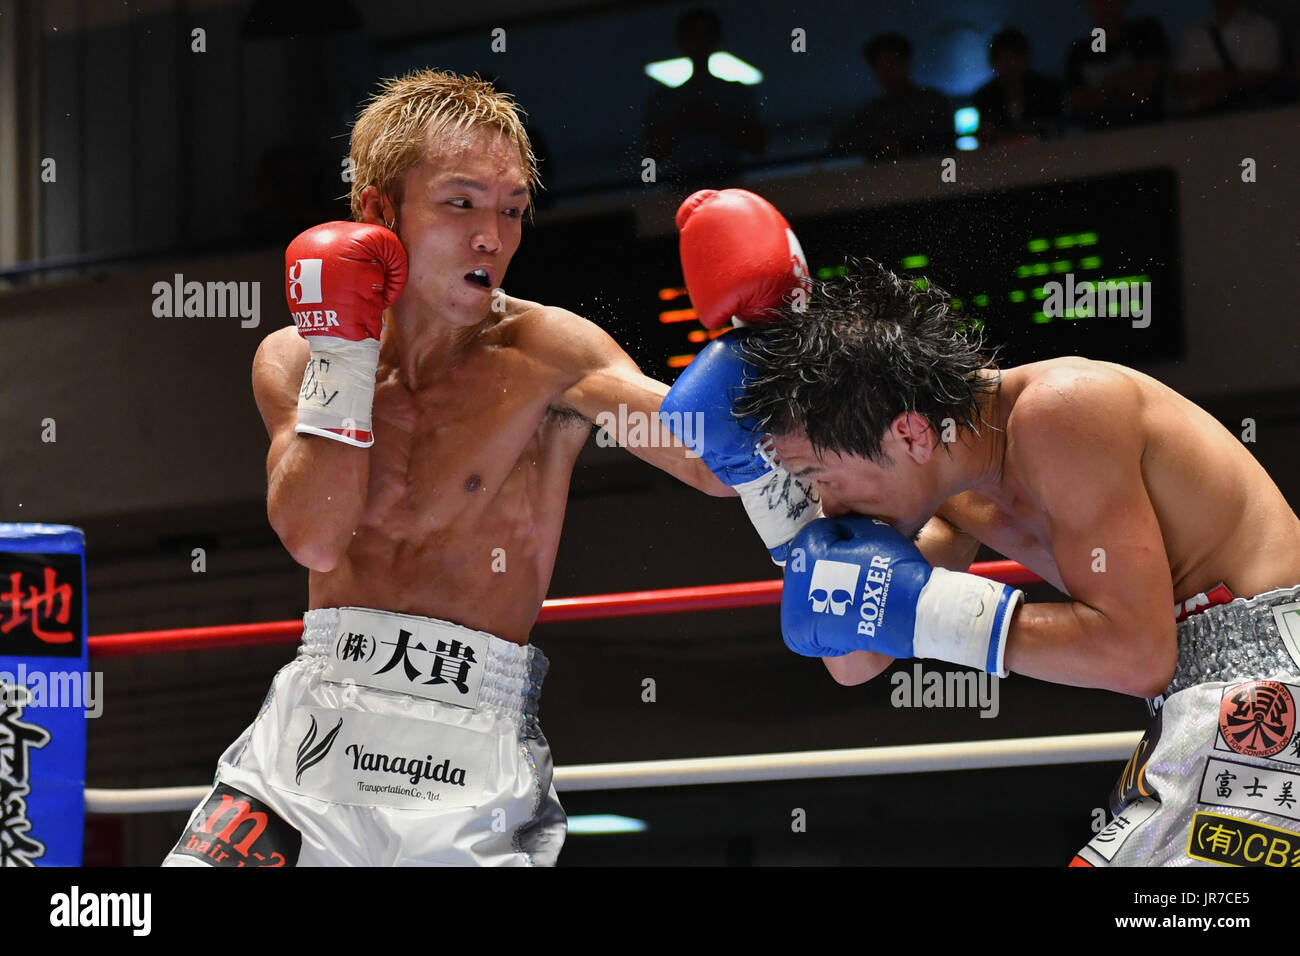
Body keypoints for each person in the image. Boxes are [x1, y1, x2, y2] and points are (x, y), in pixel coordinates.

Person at [160, 71, 819, 867]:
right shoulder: (296, 355)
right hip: (311, 736)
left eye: (510, 211)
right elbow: (315, 538)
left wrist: (770, 344)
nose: (493, 238)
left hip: (466, 754)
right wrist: (344, 352)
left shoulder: (547, 354)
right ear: (377, 213)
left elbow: (709, 464)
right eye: (461, 203)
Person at [664, 204, 1300, 865]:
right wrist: (782, 513)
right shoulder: (946, 487)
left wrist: (927, 610)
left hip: (1270, 679)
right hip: (1204, 708)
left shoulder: (1064, 412)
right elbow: (852, 657)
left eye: (820, 475)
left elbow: (1136, 654)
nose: (826, 501)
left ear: (909, 433)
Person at [644, 7, 766, 189]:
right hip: (682, 188)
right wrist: (683, 119)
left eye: (705, 35)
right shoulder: (665, 99)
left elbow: (757, 145)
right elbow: (652, 154)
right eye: (692, 35)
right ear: (681, 41)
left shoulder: (735, 93)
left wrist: (716, 120)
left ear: (715, 39)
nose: (699, 43)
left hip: (727, 185)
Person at [829, 33, 952, 162]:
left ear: (907, 63)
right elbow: (838, 144)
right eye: (880, 66)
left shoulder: (932, 101)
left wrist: (899, 146)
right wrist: (874, 141)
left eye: (893, 63)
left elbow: (944, 143)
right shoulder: (871, 112)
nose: (888, 72)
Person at [1065, 0, 1170, 130]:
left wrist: (1100, 92)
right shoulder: (1078, 53)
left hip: (1148, 132)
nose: (1106, 5)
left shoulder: (1145, 32)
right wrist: (1117, 84)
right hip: (1098, 140)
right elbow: (1079, 104)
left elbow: (1143, 89)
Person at [1174, 0, 1286, 115]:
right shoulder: (1192, 33)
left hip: (1250, 115)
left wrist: (1219, 82)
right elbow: (1180, 79)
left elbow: (1266, 76)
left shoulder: (1263, 28)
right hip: (1201, 117)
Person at [972, 27, 1063, 146]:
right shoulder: (985, 95)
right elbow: (985, 136)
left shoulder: (1048, 88)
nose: (1009, 64)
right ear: (994, 61)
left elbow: (1054, 129)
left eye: (1014, 56)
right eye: (1003, 58)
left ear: (1026, 57)